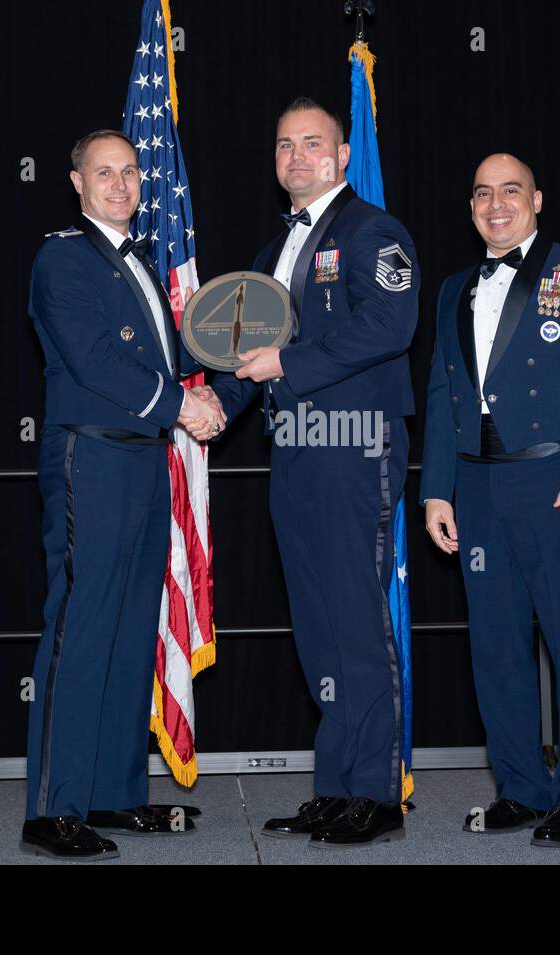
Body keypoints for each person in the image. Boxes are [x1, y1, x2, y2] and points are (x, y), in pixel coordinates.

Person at [209, 97, 419, 848]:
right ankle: (336, 787)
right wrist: (212, 408)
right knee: (320, 627)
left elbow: (391, 325)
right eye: (283, 145)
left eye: (311, 144)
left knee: (357, 620)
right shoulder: (273, 253)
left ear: (340, 156)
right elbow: (248, 358)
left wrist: (287, 363)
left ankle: (377, 792)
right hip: (294, 449)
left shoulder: (373, 231)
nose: (295, 156)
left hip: (357, 446)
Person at [419, 152, 560, 847]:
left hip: (555, 481)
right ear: (472, 206)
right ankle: (519, 786)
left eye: (510, 190)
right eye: (482, 192)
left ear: (537, 199)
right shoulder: (454, 286)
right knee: (496, 647)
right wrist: (435, 490)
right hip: (477, 488)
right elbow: (441, 394)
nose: (496, 203)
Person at [21, 129, 224, 860]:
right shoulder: (63, 258)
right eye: (103, 173)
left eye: (130, 172)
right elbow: (96, 360)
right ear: (76, 182)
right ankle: (53, 807)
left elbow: (176, 358)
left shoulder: (141, 259)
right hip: (94, 457)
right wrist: (182, 407)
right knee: (82, 627)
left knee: (135, 626)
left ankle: (112, 793)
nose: (119, 184)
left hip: (145, 460)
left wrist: (225, 388)